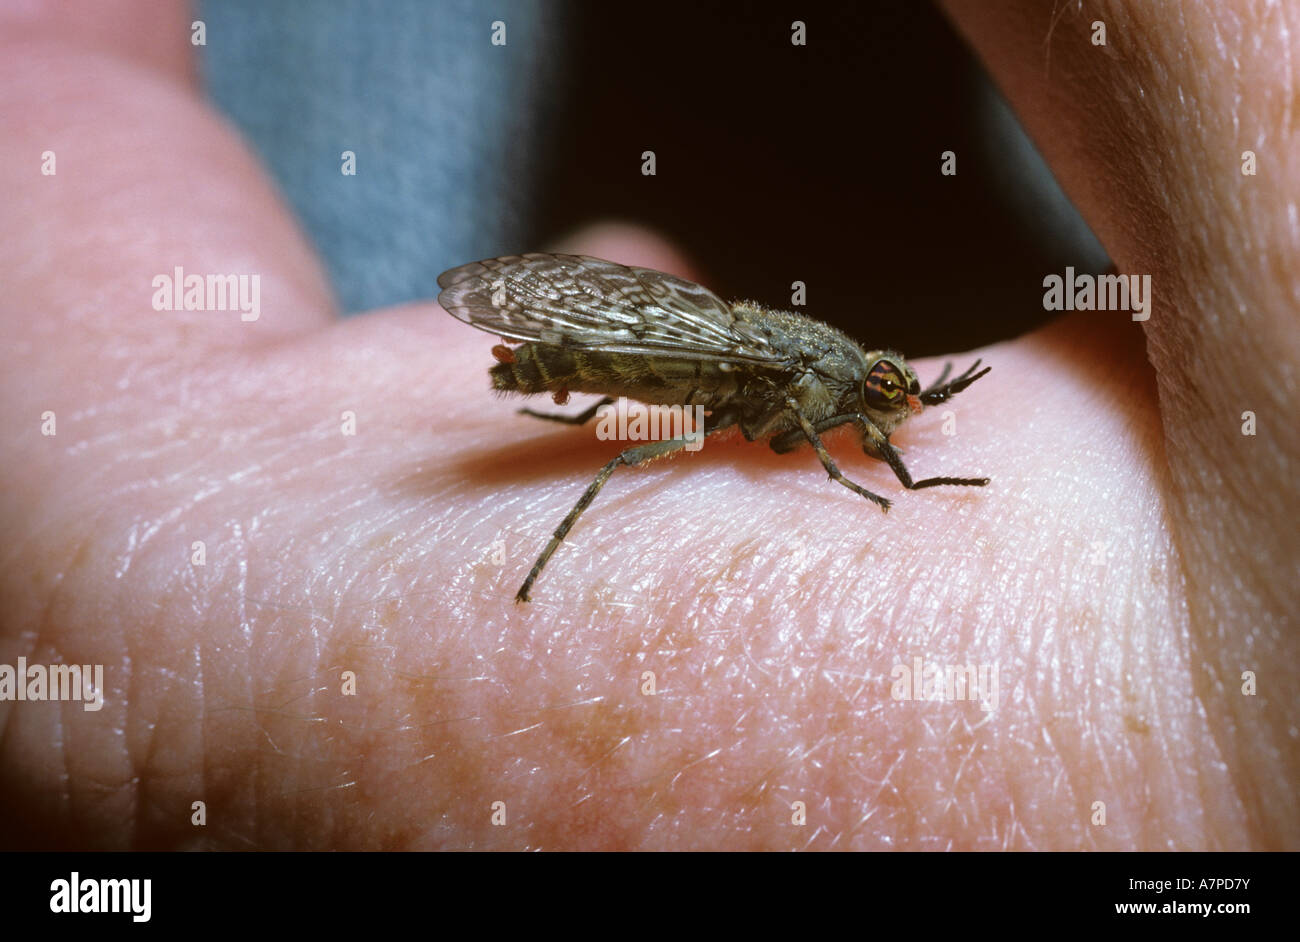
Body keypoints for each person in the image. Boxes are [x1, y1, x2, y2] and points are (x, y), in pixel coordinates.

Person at [0, 0, 1293, 850]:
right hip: (621, 351)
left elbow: (840, 438)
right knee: (642, 448)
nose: (897, 416)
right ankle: (557, 533)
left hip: (664, 345)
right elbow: (816, 444)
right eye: (891, 407)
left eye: (896, 408)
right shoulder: (821, 390)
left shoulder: (849, 392)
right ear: (867, 392)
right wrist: (870, 481)